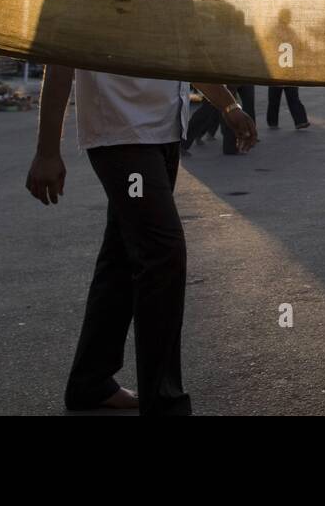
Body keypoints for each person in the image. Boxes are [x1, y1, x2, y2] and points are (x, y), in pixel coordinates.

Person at [27, 67, 256, 415]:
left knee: (121, 258)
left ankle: (90, 382)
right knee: (163, 253)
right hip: (120, 132)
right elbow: (59, 59)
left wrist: (227, 105)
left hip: (164, 132)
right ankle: (165, 404)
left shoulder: (176, 8)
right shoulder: (82, 8)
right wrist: (46, 151)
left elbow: (183, 51)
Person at [221, 85, 257, 154]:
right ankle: (230, 146)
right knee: (230, 106)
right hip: (231, 78)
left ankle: (249, 135)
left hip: (246, 78)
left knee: (249, 103)